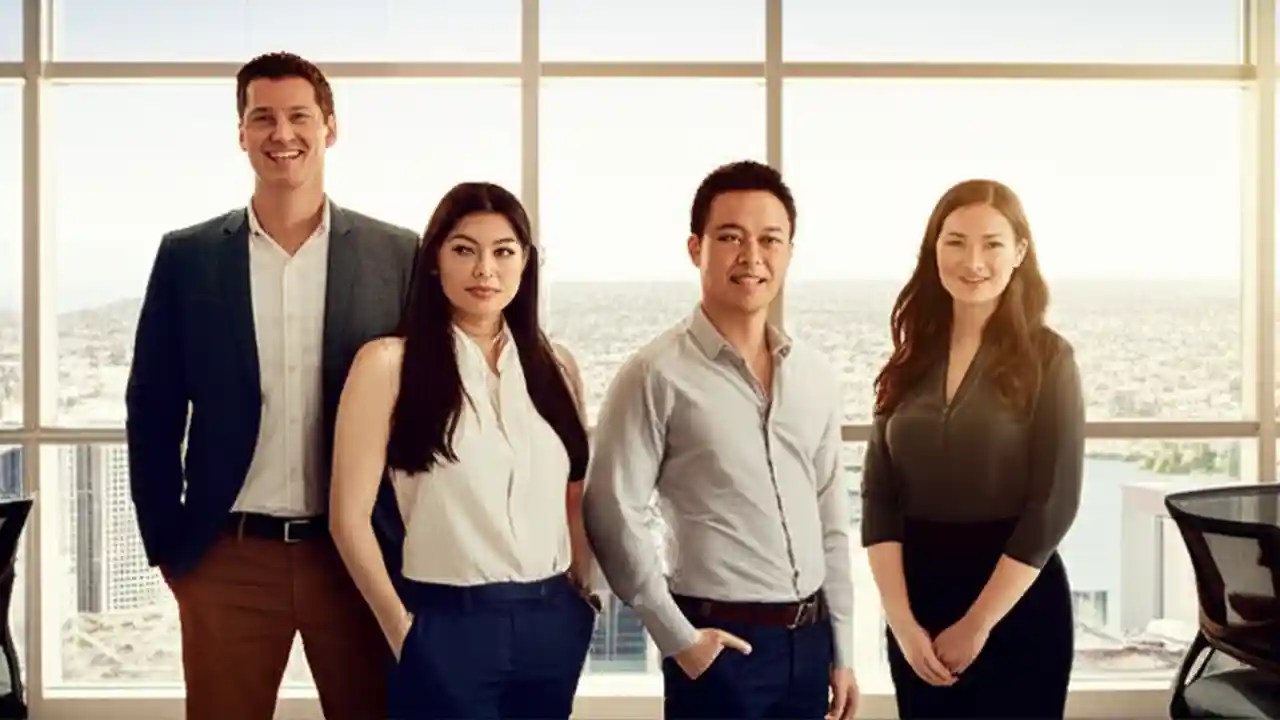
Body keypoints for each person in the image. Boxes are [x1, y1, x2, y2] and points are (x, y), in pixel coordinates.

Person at [125, 52, 418, 720]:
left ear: (330, 128)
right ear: (241, 133)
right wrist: (171, 548)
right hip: (227, 558)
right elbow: (152, 408)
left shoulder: (394, 255)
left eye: (298, 117)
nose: (281, 134)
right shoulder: (188, 257)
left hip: (358, 558)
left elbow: (427, 401)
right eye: (263, 118)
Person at [584, 160, 858, 720]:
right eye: (730, 238)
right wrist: (678, 639)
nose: (751, 257)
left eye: (769, 239)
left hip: (809, 646)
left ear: (788, 251)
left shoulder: (814, 374)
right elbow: (612, 512)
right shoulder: (655, 373)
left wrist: (844, 650)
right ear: (696, 248)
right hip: (719, 644)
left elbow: (831, 515)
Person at [329, 181, 598, 720]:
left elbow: (574, 492)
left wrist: (582, 597)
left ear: (526, 263)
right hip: (445, 623)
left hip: (551, 622)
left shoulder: (557, 366)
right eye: (464, 250)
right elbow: (348, 517)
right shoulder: (387, 365)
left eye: (503, 251)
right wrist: (401, 630)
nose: (485, 270)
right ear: (434, 262)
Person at [862, 179, 1085, 719]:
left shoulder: (1049, 359)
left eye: (992, 243)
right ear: (933, 248)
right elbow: (879, 499)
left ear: (1019, 253)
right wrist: (902, 623)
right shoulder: (908, 359)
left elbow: (1053, 505)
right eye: (955, 241)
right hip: (918, 610)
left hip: (1015, 607)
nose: (973, 260)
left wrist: (979, 622)